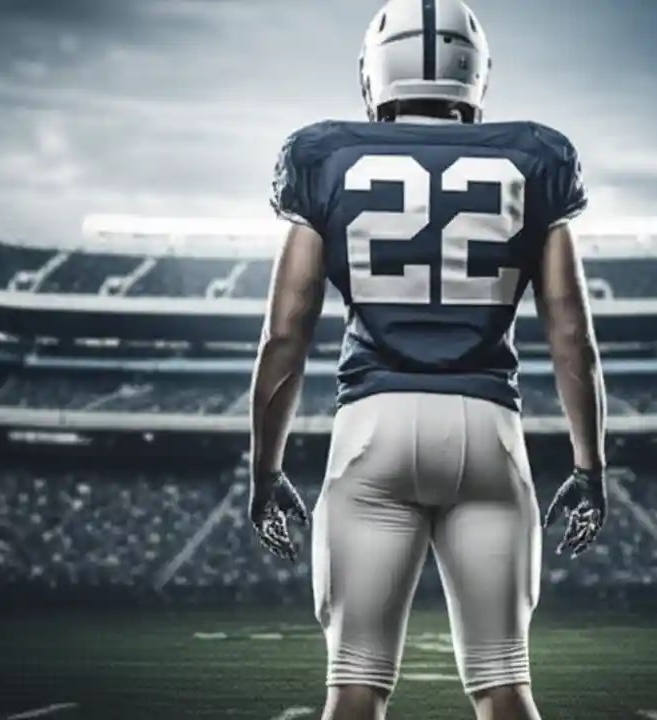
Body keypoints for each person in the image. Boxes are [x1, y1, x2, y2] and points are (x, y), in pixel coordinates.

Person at [247, 1, 607, 718]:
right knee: (507, 687)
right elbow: (570, 332)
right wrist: (591, 465)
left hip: (372, 431)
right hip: (488, 432)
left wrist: (265, 469)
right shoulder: (537, 157)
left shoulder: (323, 156)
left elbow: (286, 334)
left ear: (373, 73)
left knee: (353, 690)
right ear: (477, 75)